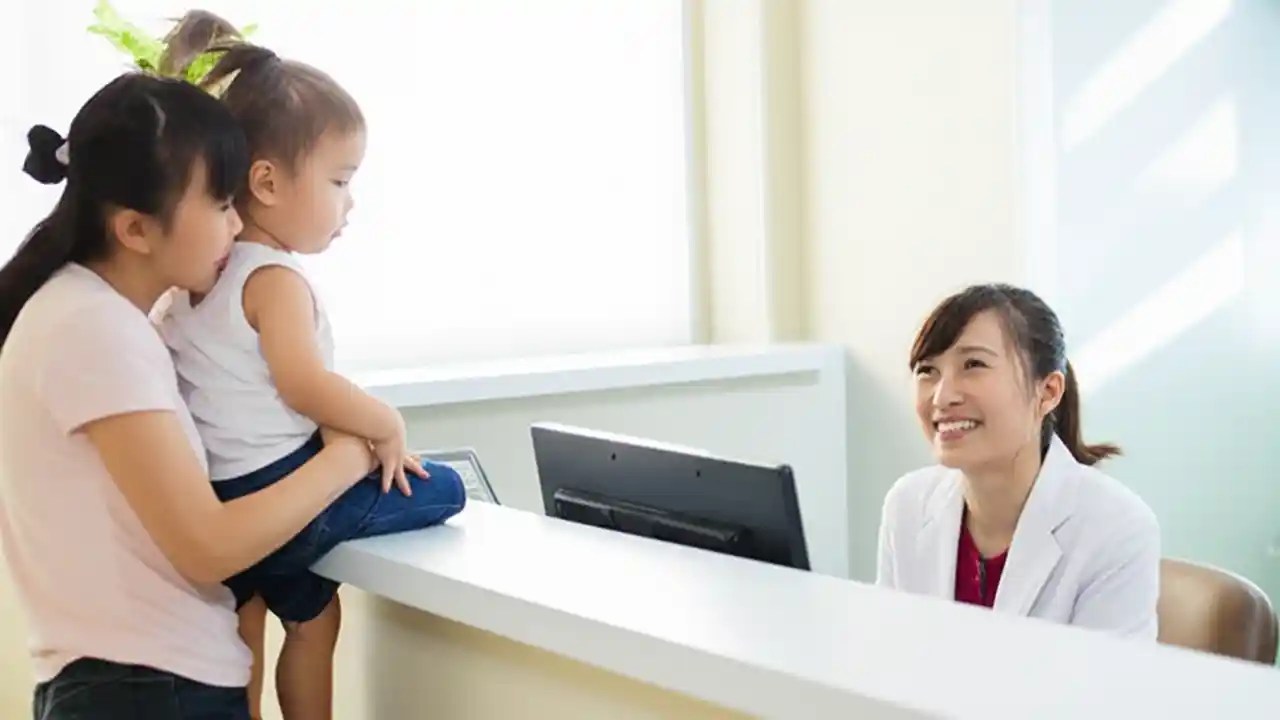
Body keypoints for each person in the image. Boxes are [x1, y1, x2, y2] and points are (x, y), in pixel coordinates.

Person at [0, 73, 381, 719]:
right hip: (150, 690)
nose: (238, 226)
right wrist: (352, 455)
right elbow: (209, 546)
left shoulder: (81, 313)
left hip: (129, 684)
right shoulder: (93, 329)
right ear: (137, 229)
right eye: (220, 204)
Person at [154, 13, 467, 719]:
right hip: (281, 489)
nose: (349, 204)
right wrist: (380, 421)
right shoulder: (274, 280)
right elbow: (302, 383)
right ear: (265, 182)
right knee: (440, 496)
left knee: (243, 624)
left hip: (219, 495)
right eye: (339, 181)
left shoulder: (197, 274)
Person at [876, 284, 1161, 638]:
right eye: (927, 370)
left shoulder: (1117, 528)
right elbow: (890, 658)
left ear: (1048, 392)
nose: (943, 395)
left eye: (973, 364)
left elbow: (1105, 690)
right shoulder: (907, 505)